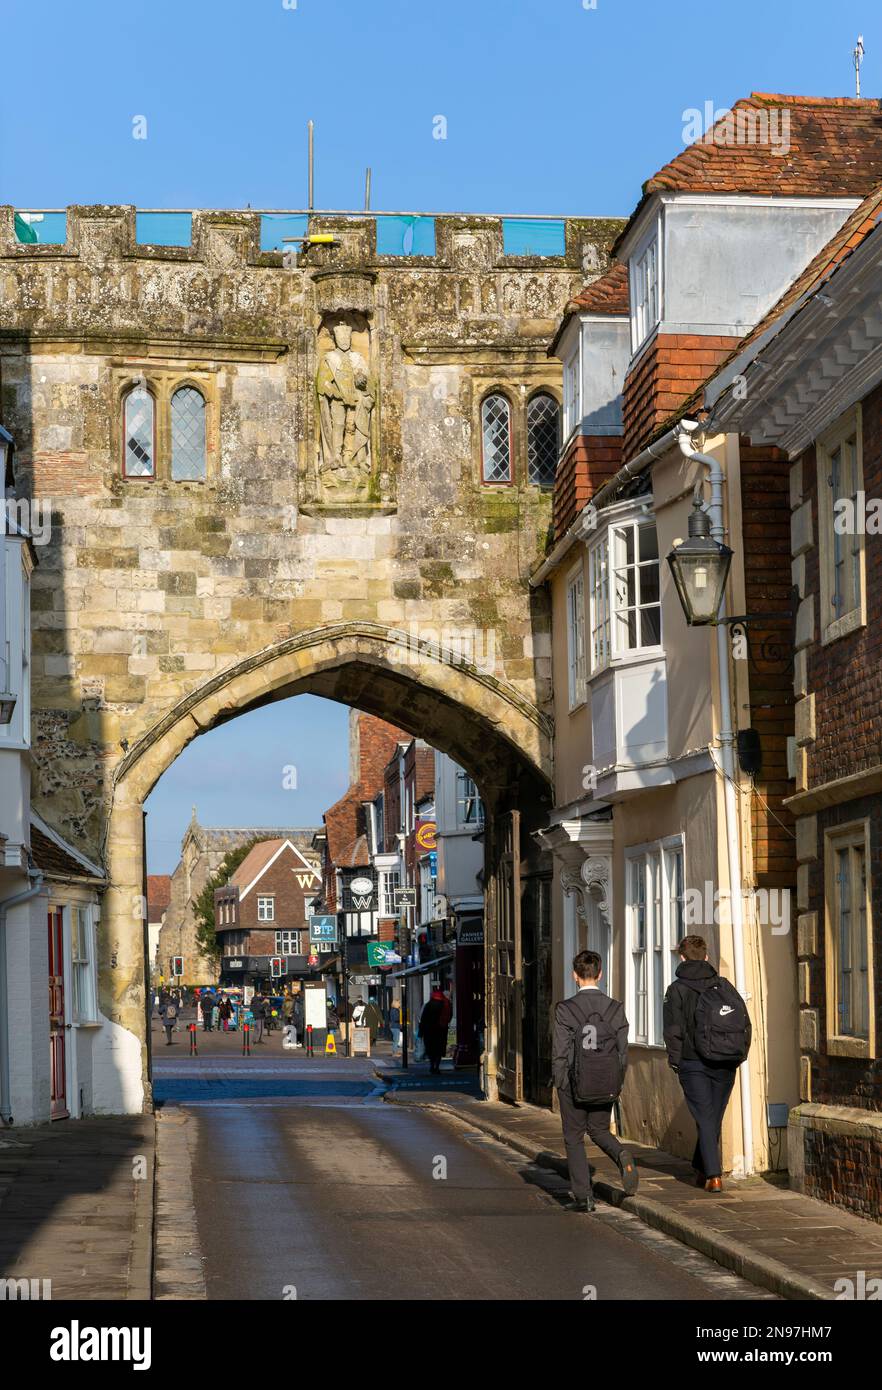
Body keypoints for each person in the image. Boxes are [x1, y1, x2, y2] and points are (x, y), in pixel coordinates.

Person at [663, 935, 751, 1194]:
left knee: (705, 1116)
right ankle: (700, 1165)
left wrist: (676, 1062)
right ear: (706, 957)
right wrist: (739, 1053)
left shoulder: (676, 990)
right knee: (713, 1116)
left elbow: (673, 1030)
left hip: (693, 1062)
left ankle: (714, 1175)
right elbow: (743, 1023)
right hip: (726, 1060)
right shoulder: (724, 986)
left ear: (681, 957)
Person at [552, 949, 637, 1213]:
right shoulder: (615, 1009)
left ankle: (583, 1196)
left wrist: (560, 1083)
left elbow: (560, 1051)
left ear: (575, 976)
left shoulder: (565, 1010)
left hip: (574, 1084)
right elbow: (622, 1053)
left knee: (574, 1137)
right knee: (599, 1130)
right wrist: (617, 1082)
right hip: (606, 1081)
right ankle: (620, 1153)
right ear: (600, 974)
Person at [418, 985, 452, 1075]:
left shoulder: (428, 1005)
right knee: (439, 1050)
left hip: (429, 1031)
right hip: (441, 1031)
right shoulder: (446, 1004)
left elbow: (423, 1019)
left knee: (431, 1050)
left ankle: (431, 1066)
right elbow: (449, 1017)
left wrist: (420, 1032)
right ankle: (437, 1067)